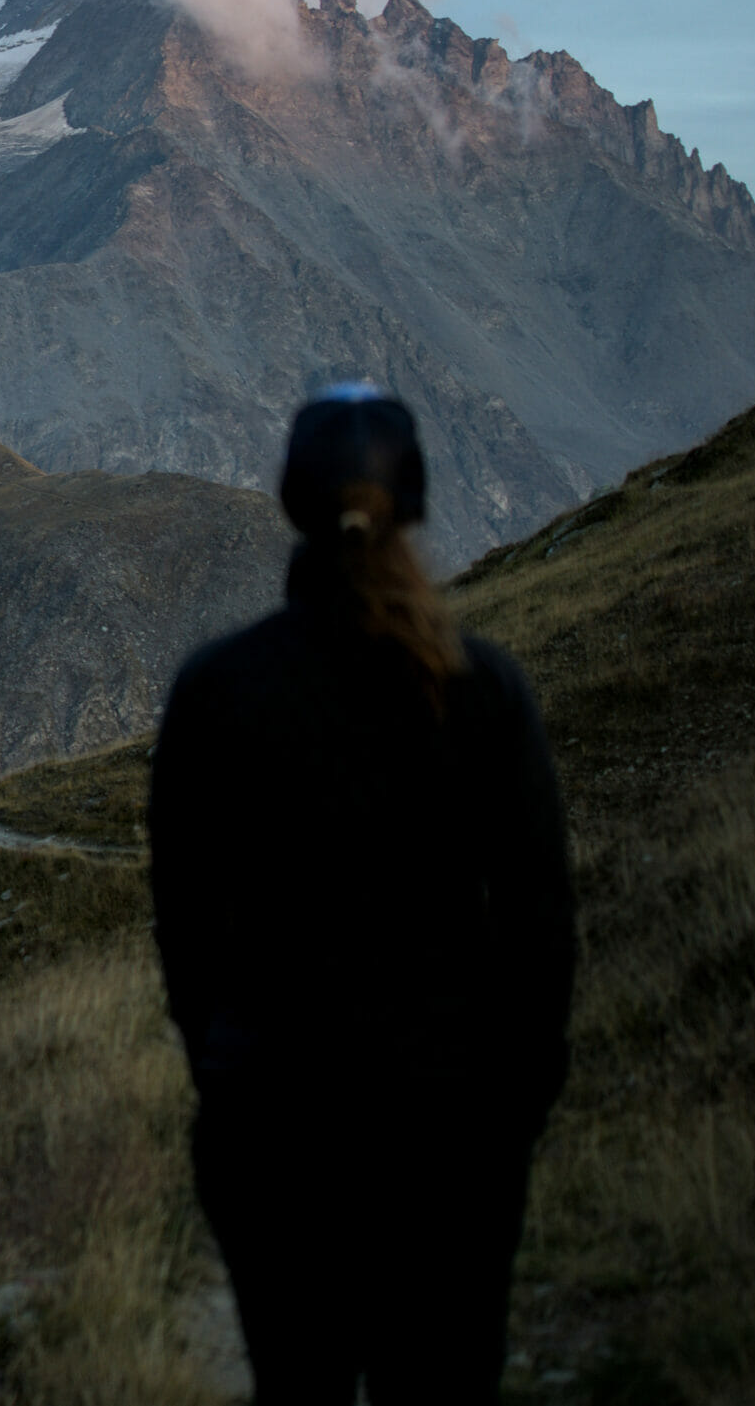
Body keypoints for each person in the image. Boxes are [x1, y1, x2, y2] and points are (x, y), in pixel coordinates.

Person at [149, 384, 576, 1403]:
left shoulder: (217, 688)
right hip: (451, 1131)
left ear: (292, 503)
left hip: (273, 1126)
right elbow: (538, 921)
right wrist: (514, 1101)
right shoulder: (481, 688)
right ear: (413, 503)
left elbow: (183, 925)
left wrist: (223, 1065)